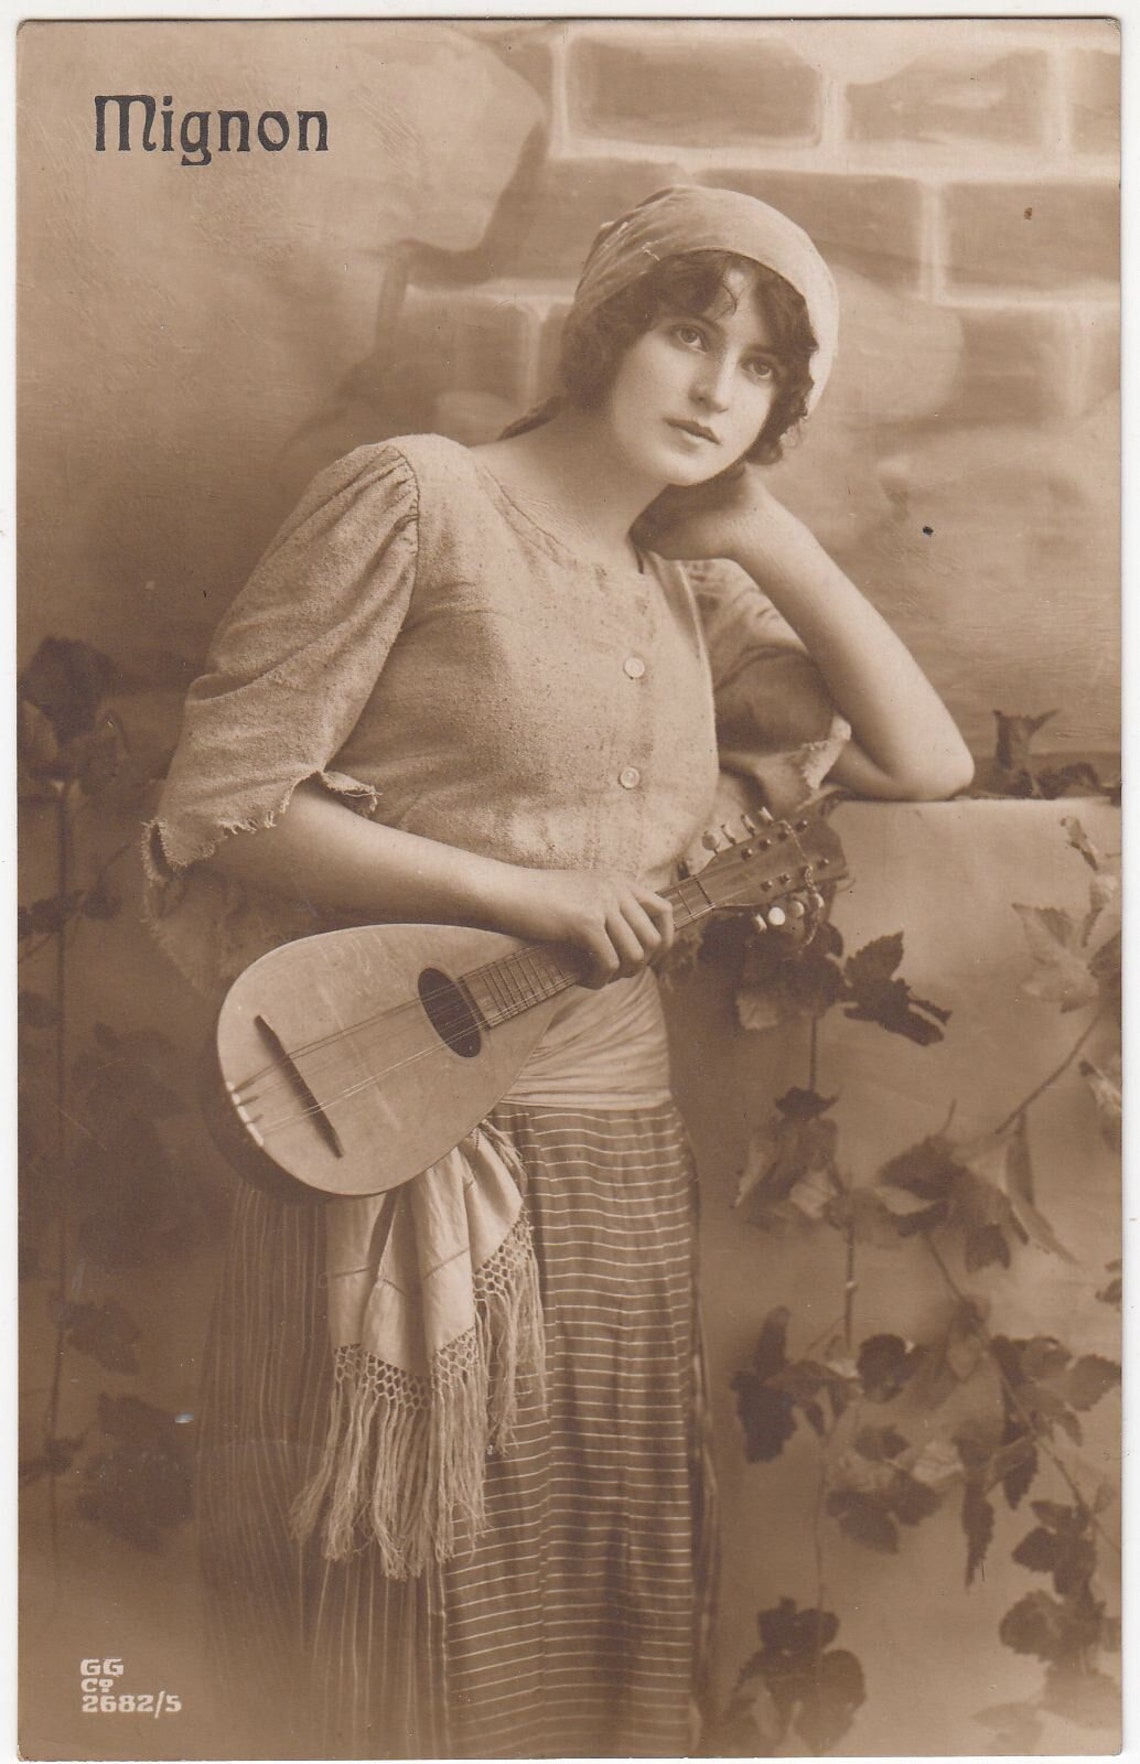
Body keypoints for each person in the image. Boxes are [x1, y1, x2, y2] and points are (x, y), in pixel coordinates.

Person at [144, 185, 973, 1760]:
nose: (717, 386)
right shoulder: (420, 498)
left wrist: (764, 531)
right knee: (410, 1592)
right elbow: (229, 799)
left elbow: (922, 762)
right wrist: (524, 892)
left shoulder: (693, 592)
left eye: (761, 371)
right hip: (392, 1123)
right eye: (687, 332)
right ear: (607, 336)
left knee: (588, 1586)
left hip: (612, 1157)